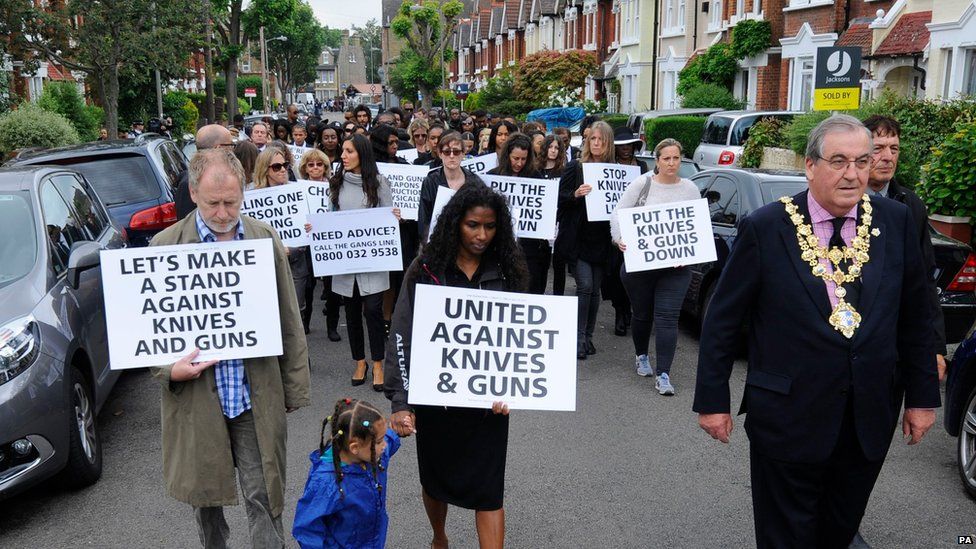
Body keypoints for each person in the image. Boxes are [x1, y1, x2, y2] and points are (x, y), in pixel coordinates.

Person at [694, 114, 940, 547]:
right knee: (784, 536)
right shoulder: (767, 228)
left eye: (862, 162)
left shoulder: (896, 221)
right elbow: (722, 321)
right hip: (787, 416)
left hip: (867, 418)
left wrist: (921, 399)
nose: (853, 174)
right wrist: (713, 400)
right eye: (839, 161)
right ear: (810, 166)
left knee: (839, 531)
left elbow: (917, 317)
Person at [149, 148, 310, 549]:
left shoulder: (263, 238)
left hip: (252, 394)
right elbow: (148, 337)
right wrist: (169, 371)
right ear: (192, 192)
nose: (223, 213)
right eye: (212, 204)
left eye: (232, 203)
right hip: (197, 397)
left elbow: (289, 319)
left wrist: (293, 388)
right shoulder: (163, 245)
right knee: (205, 501)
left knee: (265, 494)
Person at [384, 182, 528, 549]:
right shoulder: (427, 267)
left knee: (490, 490)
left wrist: (512, 388)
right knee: (436, 481)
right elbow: (402, 331)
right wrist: (401, 402)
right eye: (472, 225)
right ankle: (439, 538)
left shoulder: (508, 269)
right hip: (437, 401)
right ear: (455, 223)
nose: (482, 235)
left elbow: (523, 335)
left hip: (488, 404)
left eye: (490, 226)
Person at [863, 114, 947, 380]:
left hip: (892, 348)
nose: (888, 157)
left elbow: (923, 280)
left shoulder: (910, 205)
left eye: (894, 148)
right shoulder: (840, 200)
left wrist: (934, 347)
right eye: (878, 149)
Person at [610, 138, 696, 395]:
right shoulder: (643, 183)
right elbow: (618, 212)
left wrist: (689, 253)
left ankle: (664, 374)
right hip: (641, 267)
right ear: (657, 161)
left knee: (668, 318)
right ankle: (641, 355)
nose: (671, 163)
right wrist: (619, 239)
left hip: (676, 269)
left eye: (676, 158)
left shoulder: (690, 189)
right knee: (643, 313)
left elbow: (693, 225)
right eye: (666, 158)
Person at [330, 134, 400, 391]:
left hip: (373, 262)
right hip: (346, 263)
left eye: (348, 151)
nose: (343, 156)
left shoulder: (379, 183)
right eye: (343, 151)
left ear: (362, 154)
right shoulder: (336, 182)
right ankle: (359, 361)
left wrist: (394, 218)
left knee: (373, 310)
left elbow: (389, 219)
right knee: (351, 312)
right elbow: (331, 217)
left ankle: (378, 361)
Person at [292, 398, 400, 549]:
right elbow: (308, 528)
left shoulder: (373, 457)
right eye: (379, 441)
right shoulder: (326, 482)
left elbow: (387, 444)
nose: (384, 445)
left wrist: (397, 432)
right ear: (354, 447)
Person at [555, 120, 615, 360]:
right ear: (588, 142)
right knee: (585, 286)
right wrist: (575, 194)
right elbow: (559, 198)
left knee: (595, 291)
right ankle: (579, 336)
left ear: (608, 143)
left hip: (602, 240)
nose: (597, 143)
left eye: (601, 139)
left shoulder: (615, 170)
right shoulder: (575, 166)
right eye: (593, 139)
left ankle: (588, 336)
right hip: (579, 239)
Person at [488, 133, 551, 295]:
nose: (519, 163)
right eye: (515, 158)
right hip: (500, 245)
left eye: (523, 159)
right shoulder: (493, 176)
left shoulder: (536, 177)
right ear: (507, 155)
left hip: (529, 248)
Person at [605, 128, 649, 337]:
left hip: (636, 227)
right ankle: (619, 312)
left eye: (629, 146)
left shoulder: (642, 168)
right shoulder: (608, 168)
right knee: (615, 274)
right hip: (615, 227)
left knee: (633, 274)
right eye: (621, 146)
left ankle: (630, 311)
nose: (625, 150)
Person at [417, 131, 484, 240]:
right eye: (447, 152)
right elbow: (424, 218)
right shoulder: (430, 181)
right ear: (440, 153)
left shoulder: (475, 181)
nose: (452, 156)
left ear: (463, 153)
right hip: (438, 241)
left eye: (456, 152)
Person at [175, 124, 235, 220]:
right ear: (219, 148)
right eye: (230, 145)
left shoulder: (229, 176)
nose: (232, 150)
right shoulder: (188, 184)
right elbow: (187, 227)